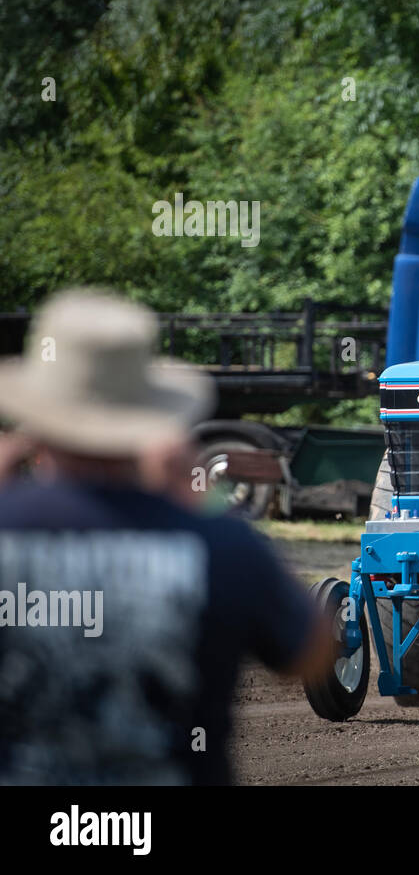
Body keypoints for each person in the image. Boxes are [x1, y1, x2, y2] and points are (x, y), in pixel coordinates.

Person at [0, 288, 332, 785]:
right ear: (148, 412)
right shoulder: (220, 544)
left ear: (37, 417)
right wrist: (203, 501)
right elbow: (313, 651)